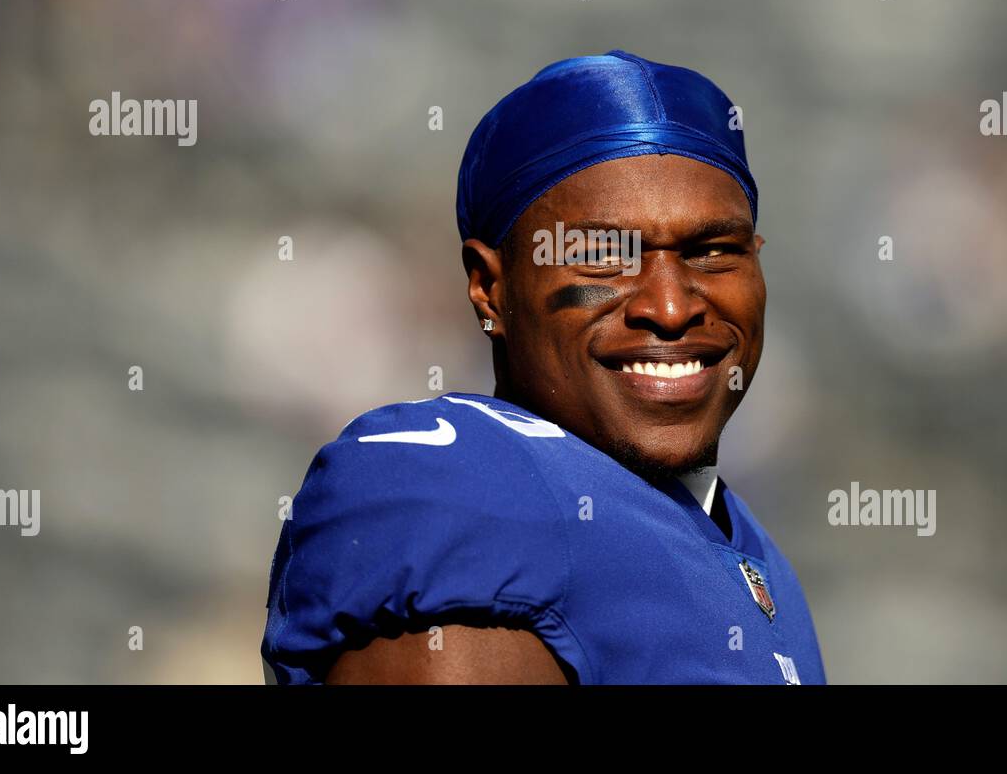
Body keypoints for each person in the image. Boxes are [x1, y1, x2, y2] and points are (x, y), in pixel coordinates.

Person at [261, 49, 826, 684]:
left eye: (713, 252)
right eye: (604, 259)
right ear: (490, 289)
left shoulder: (750, 548)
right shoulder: (462, 485)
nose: (670, 307)